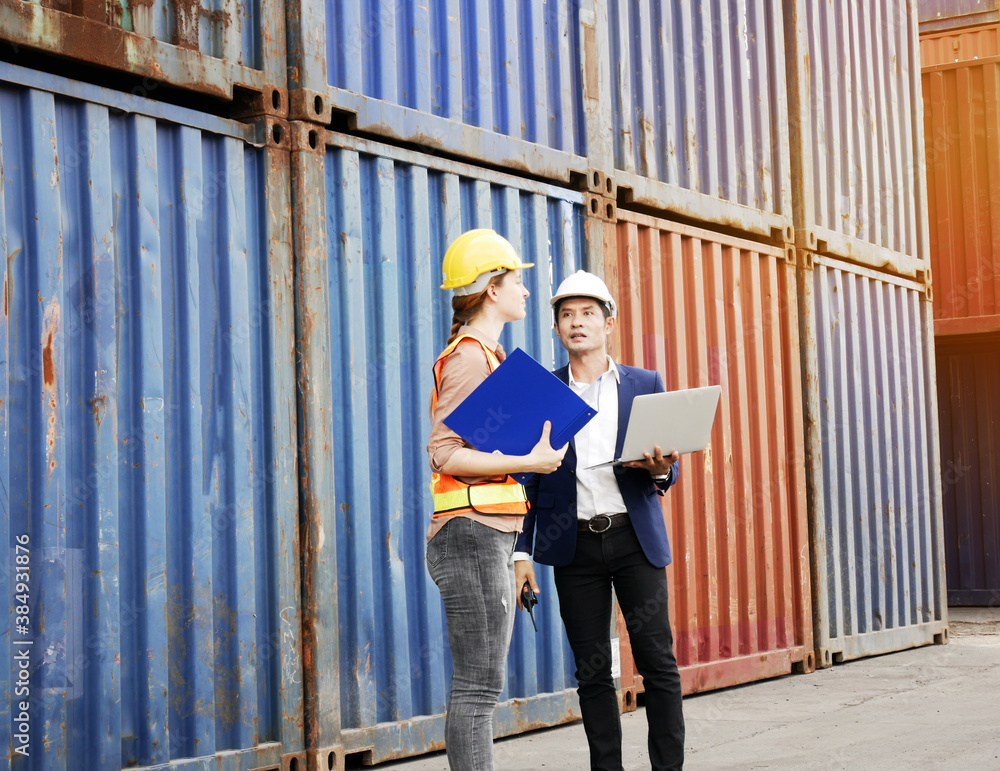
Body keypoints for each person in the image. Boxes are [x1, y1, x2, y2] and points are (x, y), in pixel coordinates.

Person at [514, 270, 685, 771]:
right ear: (556, 329)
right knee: (592, 674)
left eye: (588, 313)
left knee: (658, 664)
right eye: (566, 315)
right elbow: (530, 480)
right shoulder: (544, 390)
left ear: (608, 322)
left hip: (635, 540)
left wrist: (663, 469)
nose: (577, 322)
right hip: (575, 549)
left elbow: (665, 468)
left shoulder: (643, 384)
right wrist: (522, 551)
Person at [426, 228, 568, 771]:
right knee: (478, 687)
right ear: (491, 290)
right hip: (469, 534)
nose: (527, 293)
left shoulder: (490, 355)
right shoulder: (469, 357)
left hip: (486, 534)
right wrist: (531, 462)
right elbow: (443, 453)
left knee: (482, 683)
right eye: (518, 281)